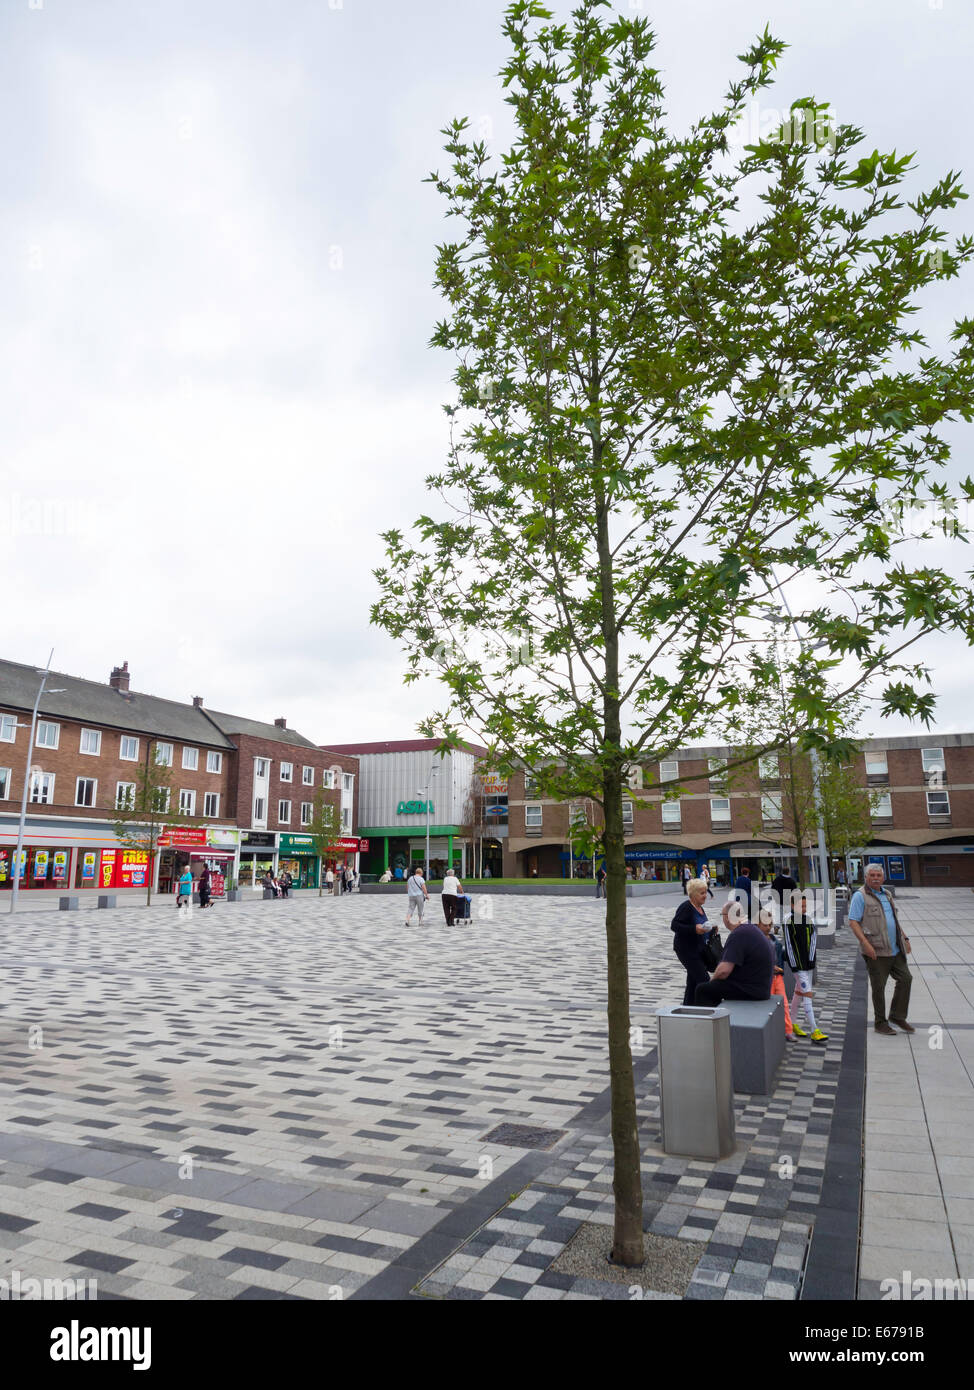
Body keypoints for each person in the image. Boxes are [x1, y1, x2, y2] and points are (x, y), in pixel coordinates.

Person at [847, 863, 913, 1036]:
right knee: (879, 987)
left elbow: (894, 920)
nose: (875, 878)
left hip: (895, 948)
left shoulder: (887, 894)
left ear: (883, 878)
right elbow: (853, 921)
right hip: (876, 950)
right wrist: (865, 944)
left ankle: (897, 1016)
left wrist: (905, 938)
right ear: (866, 877)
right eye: (872, 875)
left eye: (878, 875)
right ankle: (880, 1023)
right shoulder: (860, 896)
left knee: (906, 979)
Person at [695, 901, 774, 1006]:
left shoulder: (739, 933)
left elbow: (724, 971)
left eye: (722, 915)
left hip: (752, 990)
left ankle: (713, 1016)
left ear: (727, 917)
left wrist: (712, 982)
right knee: (715, 988)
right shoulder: (749, 928)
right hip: (761, 987)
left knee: (702, 989)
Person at [783, 894, 828, 1043]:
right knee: (807, 993)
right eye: (800, 906)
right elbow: (788, 943)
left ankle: (792, 1024)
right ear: (792, 906)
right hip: (798, 964)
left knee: (799, 993)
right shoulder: (788, 920)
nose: (803, 909)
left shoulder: (809, 919)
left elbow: (814, 938)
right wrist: (794, 964)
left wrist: (811, 959)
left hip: (808, 963)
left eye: (805, 906)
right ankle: (815, 1030)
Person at [671, 878, 712, 1006]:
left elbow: (700, 926)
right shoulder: (686, 907)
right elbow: (674, 925)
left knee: (693, 981)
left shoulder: (700, 907)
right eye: (702, 893)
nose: (705, 895)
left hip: (698, 950)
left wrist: (710, 930)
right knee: (704, 980)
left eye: (705, 892)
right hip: (687, 950)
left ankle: (688, 1007)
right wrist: (694, 929)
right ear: (693, 894)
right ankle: (710, 1006)